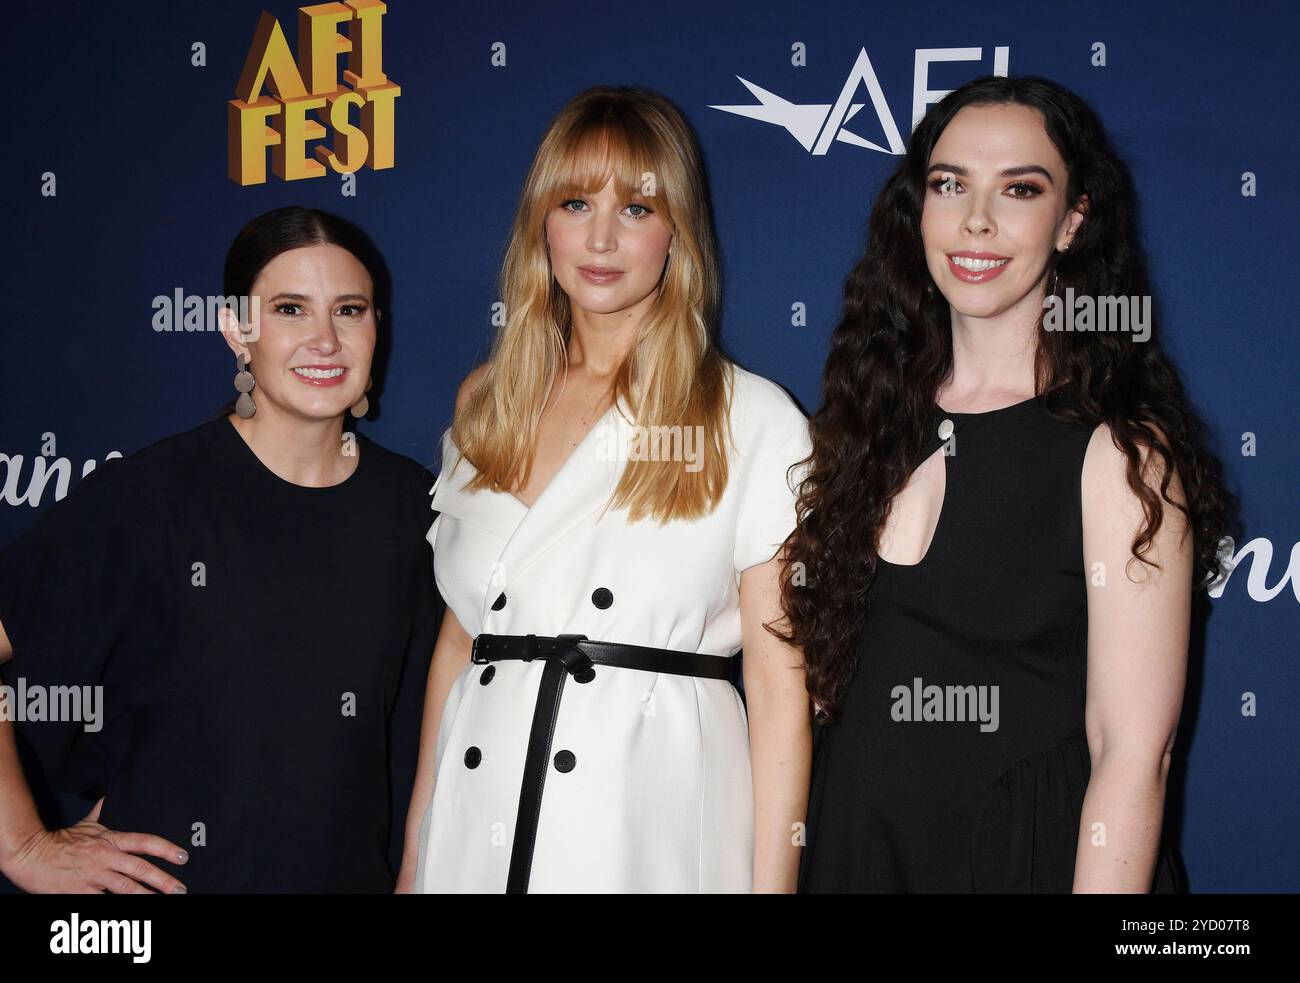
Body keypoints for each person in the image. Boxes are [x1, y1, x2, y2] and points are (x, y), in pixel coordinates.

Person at [782, 76, 1233, 893]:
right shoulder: (864, 427)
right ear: (917, 208)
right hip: (858, 849)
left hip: (1026, 859)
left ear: (1072, 221)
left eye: (1019, 189)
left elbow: (1135, 755)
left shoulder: (1119, 454)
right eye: (950, 184)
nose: (976, 220)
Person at [397, 86, 812, 893]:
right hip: (474, 822)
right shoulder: (487, 400)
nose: (599, 236)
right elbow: (462, 643)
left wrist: (776, 888)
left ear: (677, 233)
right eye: (576, 201)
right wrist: (417, 855)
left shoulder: (750, 416)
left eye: (636, 208)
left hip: (644, 822)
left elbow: (777, 681)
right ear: (539, 224)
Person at [0, 206, 438, 893]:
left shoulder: (420, 510)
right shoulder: (148, 497)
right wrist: (22, 843)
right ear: (237, 330)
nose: (325, 339)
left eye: (349, 310)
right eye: (291, 309)